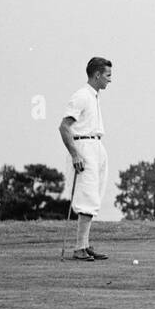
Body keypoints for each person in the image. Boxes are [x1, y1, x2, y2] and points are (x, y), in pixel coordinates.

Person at [59, 57, 113, 261]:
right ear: (97, 75)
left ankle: (85, 244)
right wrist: (75, 154)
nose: (110, 80)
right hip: (83, 146)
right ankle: (79, 247)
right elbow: (64, 127)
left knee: (95, 195)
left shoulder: (94, 96)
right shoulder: (82, 96)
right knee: (87, 197)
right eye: (107, 75)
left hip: (96, 145)